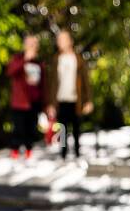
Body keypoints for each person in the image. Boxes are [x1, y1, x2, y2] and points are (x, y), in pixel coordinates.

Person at [48, 29, 93, 160]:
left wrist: (88, 100)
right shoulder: (56, 59)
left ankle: (78, 153)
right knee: (62, 129)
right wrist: (51, 103)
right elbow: (51, 83)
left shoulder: (78, 59)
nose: (60, 42)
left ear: (70, 41)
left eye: (63, 39)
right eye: (59, 39)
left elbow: (86, 81)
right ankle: (62, 154)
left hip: (76, 99)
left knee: (76, 128)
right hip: (60, 99)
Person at [6, 34, 48, 160]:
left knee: (31, 128)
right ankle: (15, 152)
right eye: (28, 43)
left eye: (33, 44)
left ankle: (29, 152)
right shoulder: (17, 58)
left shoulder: (39, 63)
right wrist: (25, 59)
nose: (31, 46)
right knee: (18, 128)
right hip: (19, 102)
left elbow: (43, 84)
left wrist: (44, 103)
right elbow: (10, 72)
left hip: (34, 101)